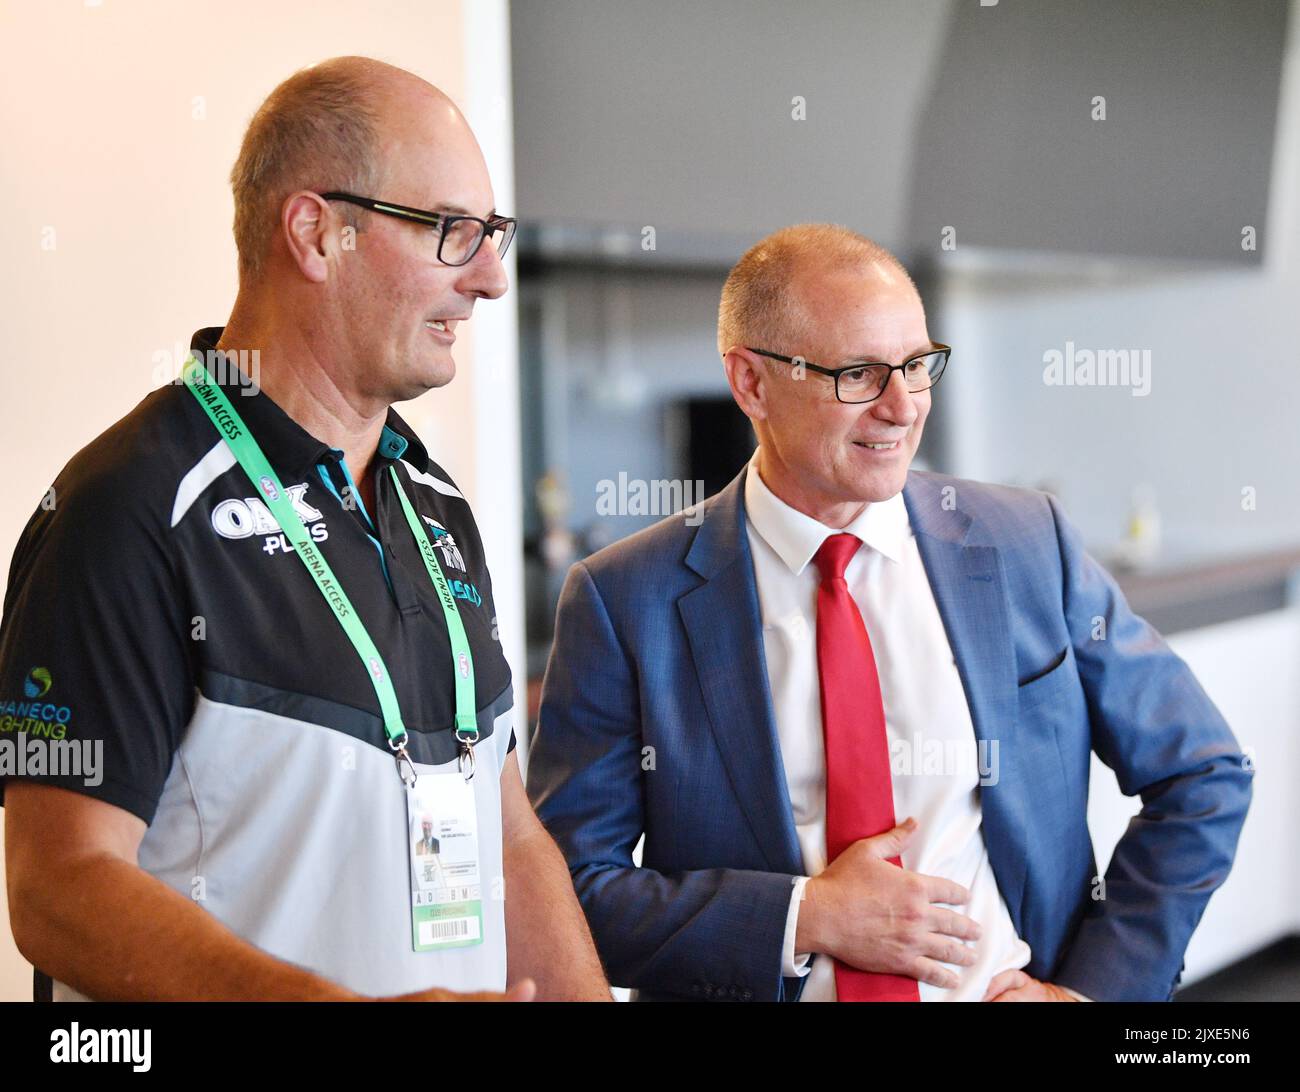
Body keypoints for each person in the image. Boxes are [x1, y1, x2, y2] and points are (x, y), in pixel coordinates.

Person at [0, 56, 609, 1002]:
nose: (491, 278)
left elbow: (506, 828)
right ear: (318, 235)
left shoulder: (434, 501)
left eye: (493, 234)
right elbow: (58, 887)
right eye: (453, 232)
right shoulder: (128, 508)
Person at [526, 224, 1252, 1002]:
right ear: (751, 384)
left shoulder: (1026, 544)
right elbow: (567, 891)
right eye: (861, 375)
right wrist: (804, 917)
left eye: (917, 366)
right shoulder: (624, 598)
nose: (903, 407)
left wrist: (1092, 994)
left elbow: (1203, 775)